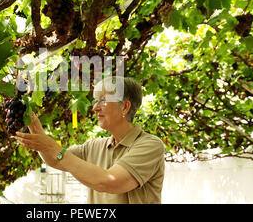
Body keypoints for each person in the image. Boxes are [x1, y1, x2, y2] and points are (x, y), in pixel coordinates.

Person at [14, 76, 165, 204]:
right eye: (95, 101)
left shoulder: (150, 145)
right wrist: (34, 127)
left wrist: (53, 147)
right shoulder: (94, 146)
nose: (95, 108)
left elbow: (109, 182)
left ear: (124, 107)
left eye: (103, 100)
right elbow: (55, 160)